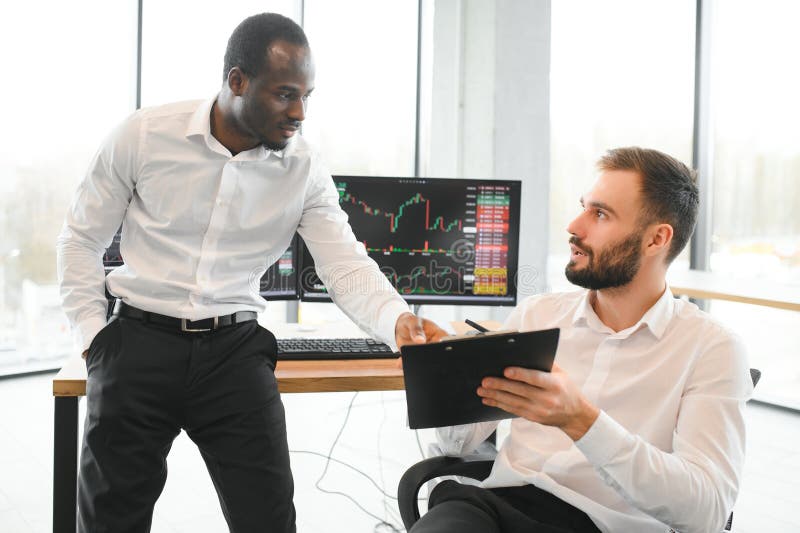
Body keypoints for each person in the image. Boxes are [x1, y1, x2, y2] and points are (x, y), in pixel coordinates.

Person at [57, 13, 447, 533]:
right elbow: (80, 238)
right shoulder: (145, 136)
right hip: (137, 345)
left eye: (308, 96)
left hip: (234, 352)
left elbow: (345, 263)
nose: (300, 112)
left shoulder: (303, 169)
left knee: (268, 520)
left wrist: (397, 320)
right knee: (111, 521)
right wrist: (94, 339)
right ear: (237, 82)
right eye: (286, 94)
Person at [411, 147, 752, 533]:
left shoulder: (713, 350)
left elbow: (706, 513)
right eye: (582, 207)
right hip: (492, 507)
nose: (575, 225)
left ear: (657, 239)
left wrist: (583, 422)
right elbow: (457, 446)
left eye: (600, 214)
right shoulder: (538, 314)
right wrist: (451, 379)